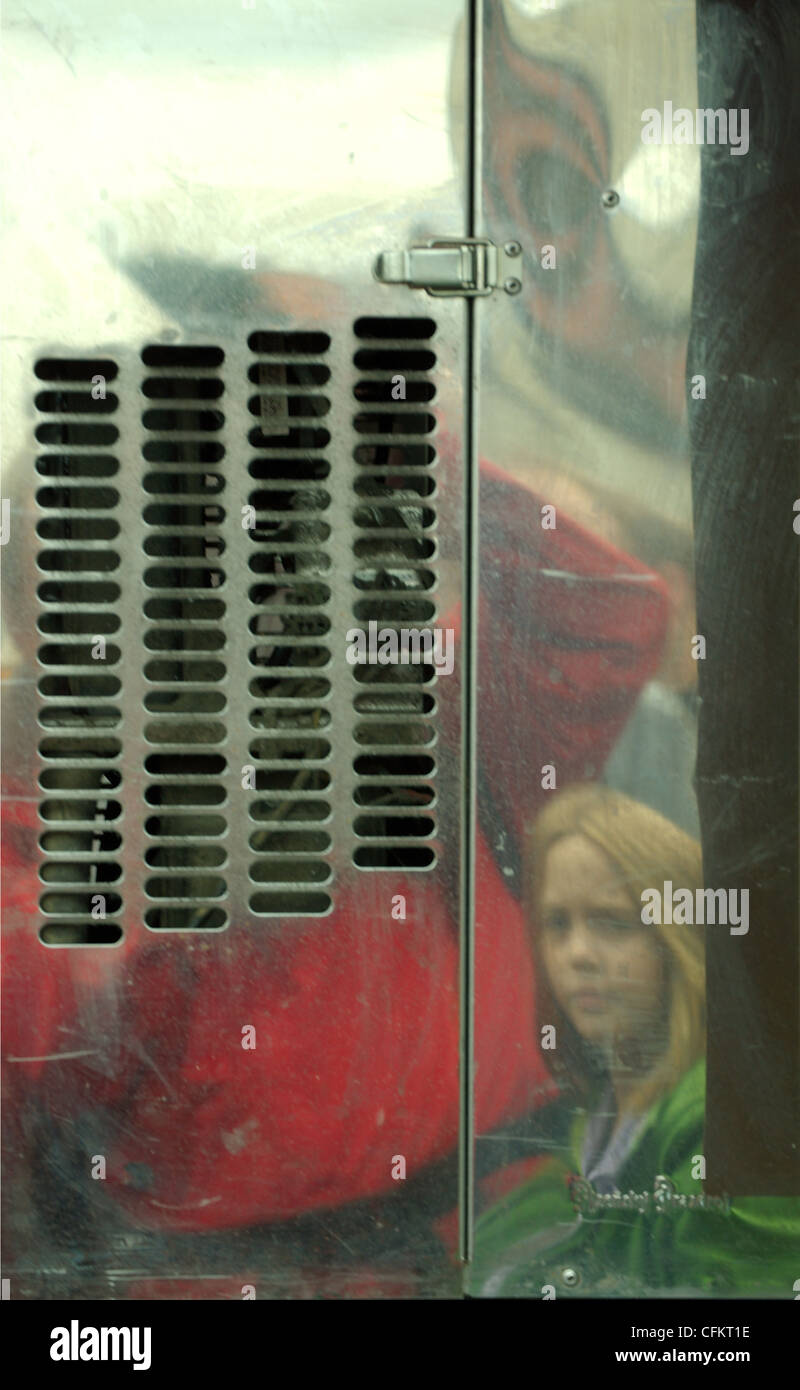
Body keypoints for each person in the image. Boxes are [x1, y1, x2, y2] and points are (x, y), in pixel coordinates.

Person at [468, 784, 800, 1297]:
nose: (577, 953)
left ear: (678, 941)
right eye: (557, 923)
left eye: (612, 923)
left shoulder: (730, 1124)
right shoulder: (594, 1126)